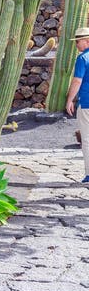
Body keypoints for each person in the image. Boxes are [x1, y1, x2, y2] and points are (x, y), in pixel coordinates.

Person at [65, 26, 89, 184]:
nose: (76, 45)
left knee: (87, 139)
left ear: (86, 41)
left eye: (78, 41)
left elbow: (77, 80)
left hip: (87, 103)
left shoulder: (82, 59)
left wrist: (69, 100)